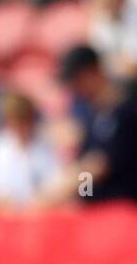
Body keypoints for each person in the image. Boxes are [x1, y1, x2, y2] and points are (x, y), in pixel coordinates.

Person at [54, 44, 137, 203]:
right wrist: (84, 197)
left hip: (126, 210)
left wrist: (58, 191)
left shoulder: (126, 109)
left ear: (92, 73)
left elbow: (99, 166)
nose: (74, 89)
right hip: (101, 213)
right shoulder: (92, 115)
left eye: (76, 81)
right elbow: (87, 170)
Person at [0, 92, 61, 211]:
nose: (18, 127)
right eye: (13, 121)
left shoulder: (46, 144)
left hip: (43, 211)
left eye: (23, 121)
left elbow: (56, 185)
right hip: (9, 214)